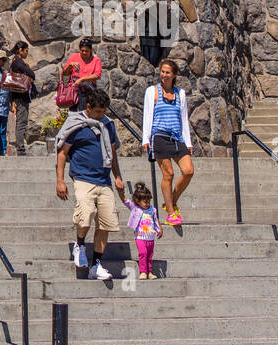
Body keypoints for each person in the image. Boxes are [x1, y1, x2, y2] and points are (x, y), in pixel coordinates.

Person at [55, 85, 125, 282]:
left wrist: (117, 177)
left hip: (104, 180)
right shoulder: (76, 124)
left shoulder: (107, 125)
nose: (101, 115)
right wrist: (60, 181)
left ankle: (96, 265)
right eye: (98, 111)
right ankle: (80, 245)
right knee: (85, 215)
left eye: (104, 111)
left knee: (105, 222)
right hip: (83, 177)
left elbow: (112, 152)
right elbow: (62, 154)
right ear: (88, 107)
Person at [142, 57, 194, 226]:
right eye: (162, 72)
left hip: (177, 137)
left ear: (174, 75)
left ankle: (171, 201)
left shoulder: (180, 93)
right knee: (168, 173)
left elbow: (183, 118)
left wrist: (188, 142)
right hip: (159, 136)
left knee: (188, 171)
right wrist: (146, 139)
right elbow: (148, 115)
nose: (164, 75)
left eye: (167, 72)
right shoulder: (152, 91)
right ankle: (171, 213)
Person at [123, 181, 162, 280]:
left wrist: (159, 229)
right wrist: (120, 192)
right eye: (145, 202)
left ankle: (150, 272)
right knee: (143, 253)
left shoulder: (152, 210)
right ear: (137, 201)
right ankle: (143, 271)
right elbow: (126, 201)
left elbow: (155, 220)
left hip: (150, 237)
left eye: (149, 202)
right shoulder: (135, 208)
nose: (147, 204)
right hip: (140, 236)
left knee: (149, 255)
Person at [8, 40, 36, 155]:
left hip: (20, 97)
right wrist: (28, 71)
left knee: (22, 122)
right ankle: (21, 149)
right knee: (21, 123)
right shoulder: (17, 62)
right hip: (21, 97)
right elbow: (31, 73)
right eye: (26, 51)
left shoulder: (16, 62)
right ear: (20, 50)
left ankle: (21, 148)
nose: (27, 53)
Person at [62, 37, 102, 111]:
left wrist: (82, 79)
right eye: (82, 50)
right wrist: (70, 65)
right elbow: (65, 73)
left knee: (87, 112)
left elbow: (97, 75)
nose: (84, 53)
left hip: (88, 92)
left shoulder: (96, 60)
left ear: (90, 50)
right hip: (75, 92)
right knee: (74, 112)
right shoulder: (74, 57)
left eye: (86, 51)